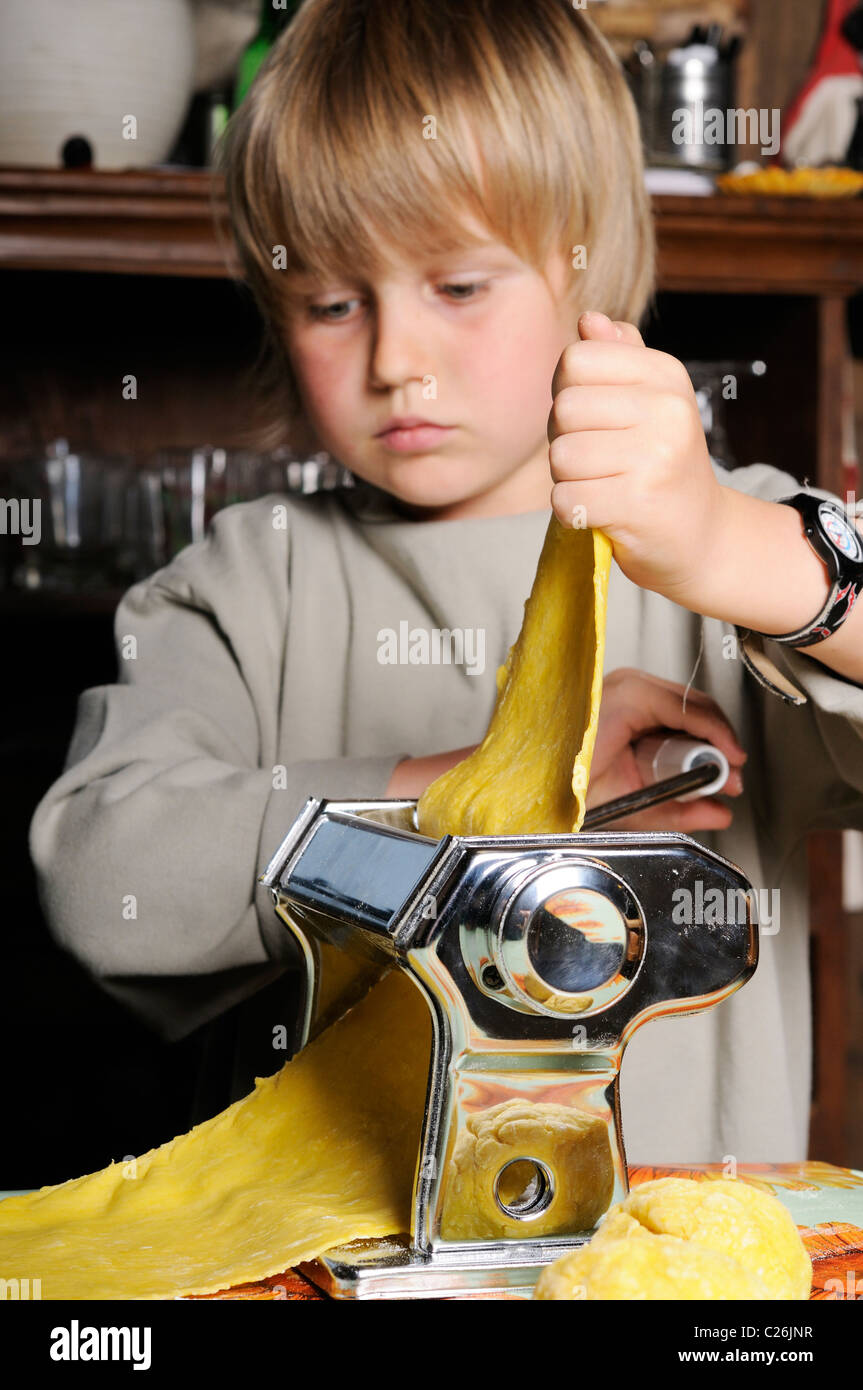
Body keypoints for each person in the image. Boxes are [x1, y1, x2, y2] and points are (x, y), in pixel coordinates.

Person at [29, 0, 863, 1164]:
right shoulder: (239, 586)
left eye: (458, 287)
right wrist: (472, 793)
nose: (394, 361)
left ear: (589, 266)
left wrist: (732, 550)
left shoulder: (737, 549)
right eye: (332, 302)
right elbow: (100, 878)